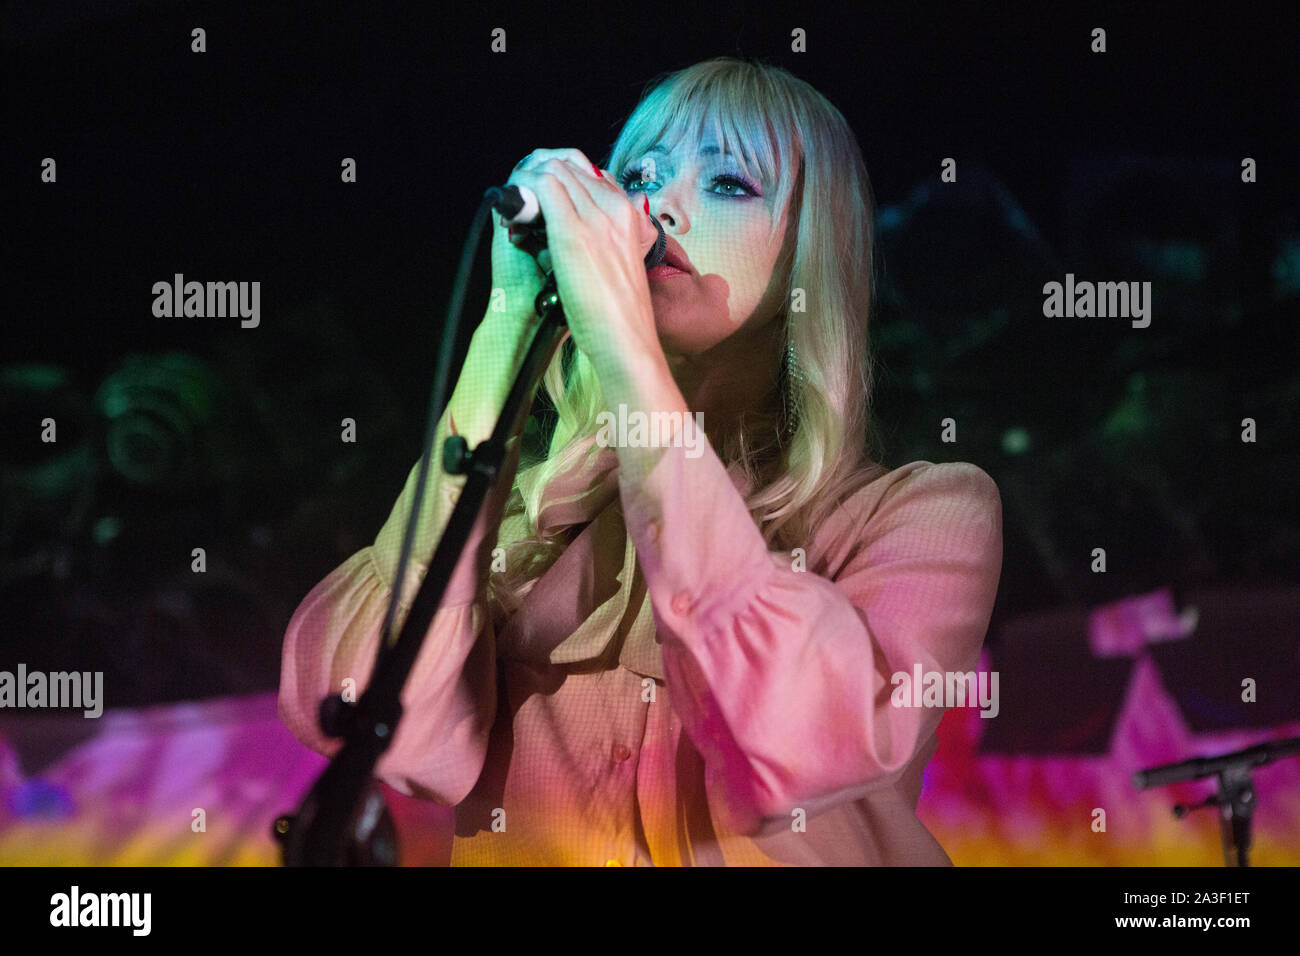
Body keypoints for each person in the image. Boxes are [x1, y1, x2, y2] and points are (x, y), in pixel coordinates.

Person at [278, 56, 1003, 866]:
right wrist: (508, 322)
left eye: (729, 183)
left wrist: (623, 348)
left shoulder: (926, 516)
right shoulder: (519, 517)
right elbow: (398, 737)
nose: (659, 205)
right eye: (637, 175)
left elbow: (789, 750)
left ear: (812, 250)